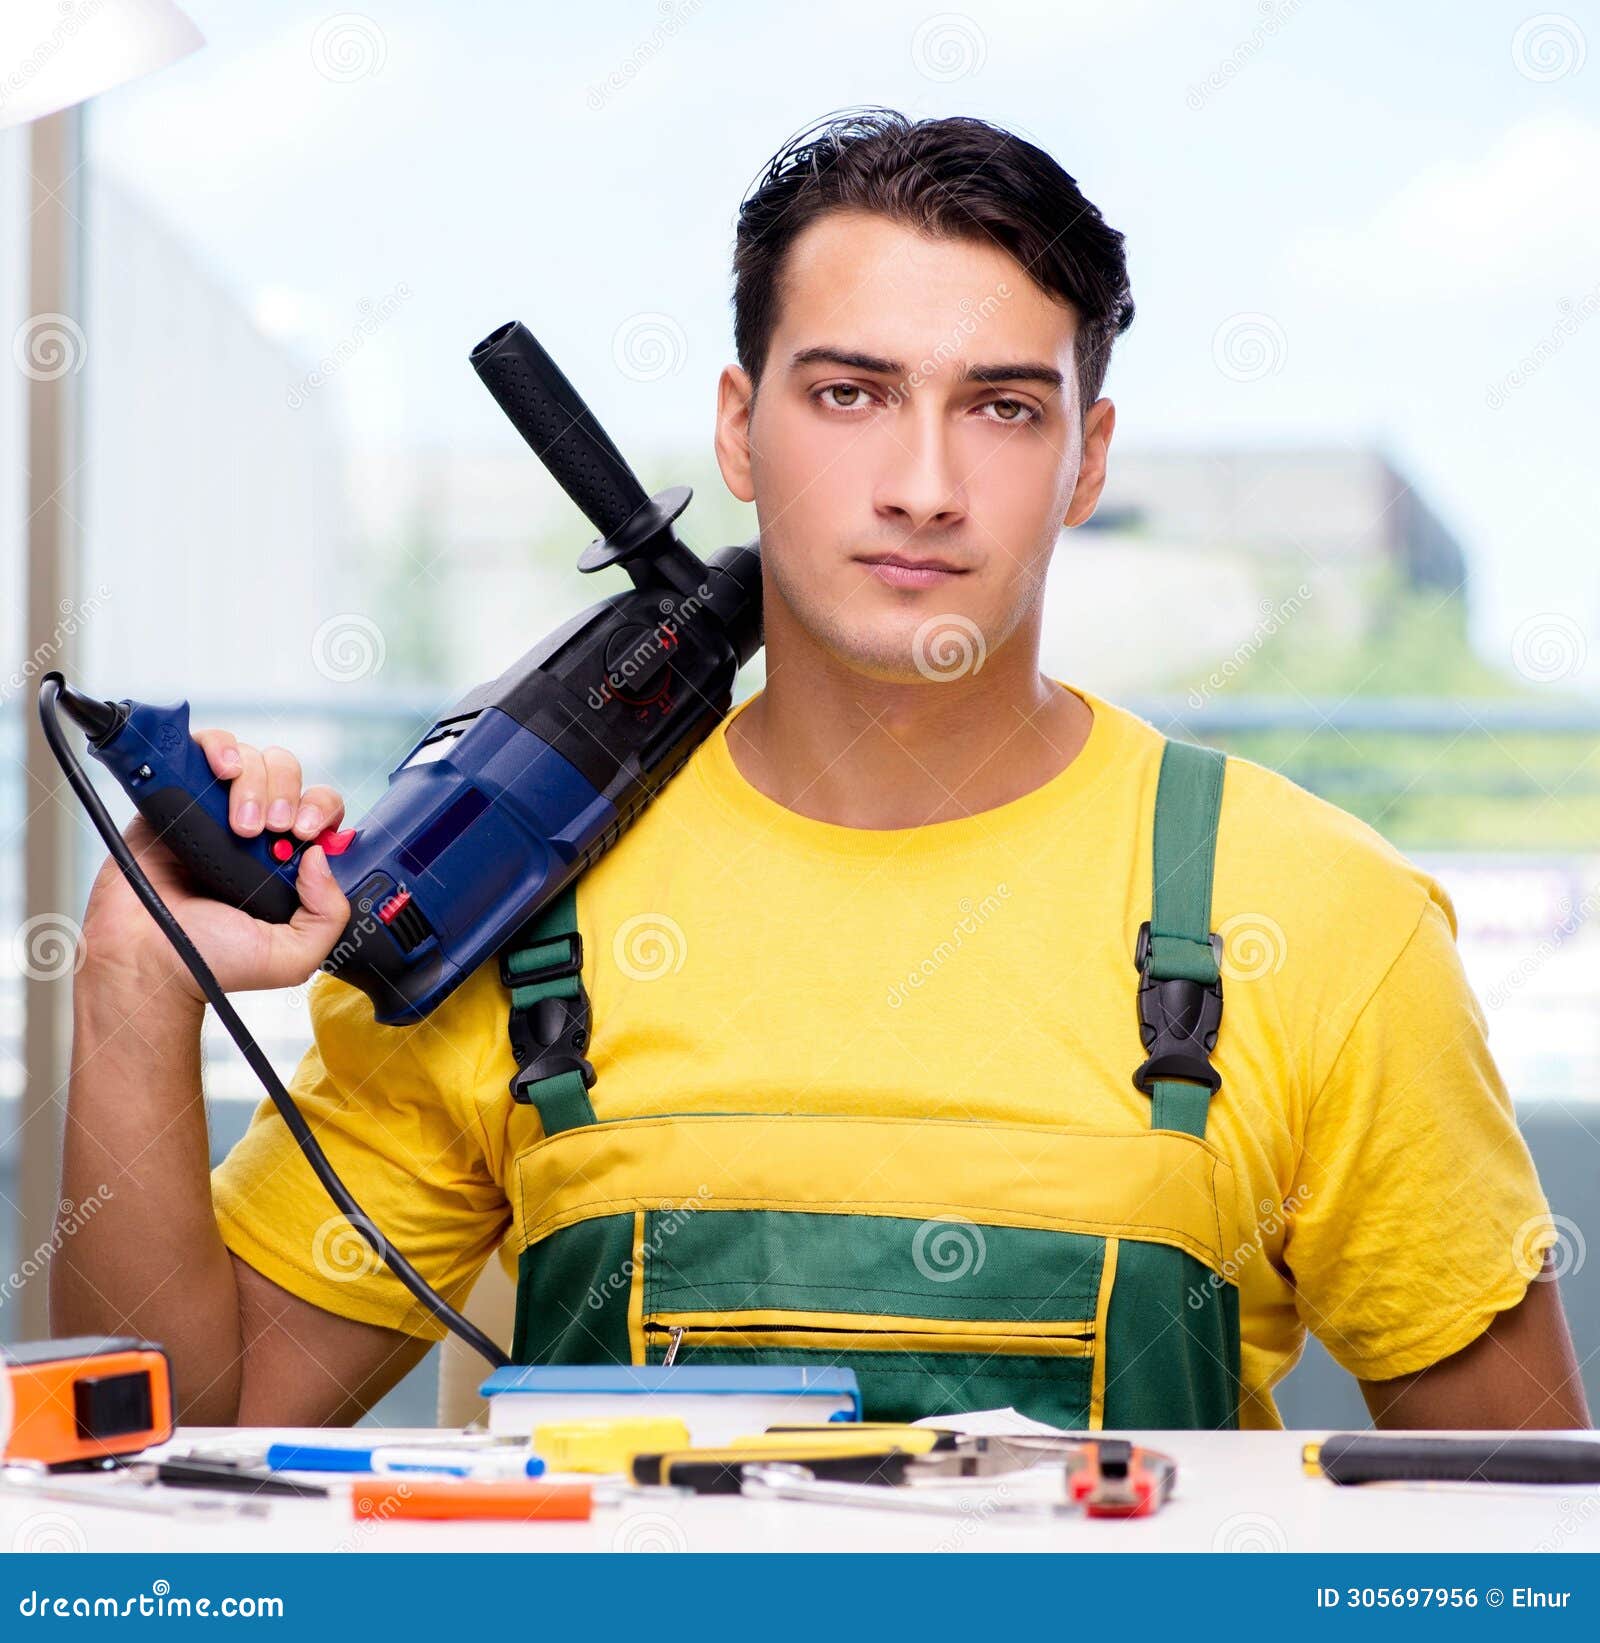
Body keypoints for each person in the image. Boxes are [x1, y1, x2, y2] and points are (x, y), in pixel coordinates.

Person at [56, 109, 1588, 1431]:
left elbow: (1524, 1540)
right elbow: (153, 1457)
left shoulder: (1318, 917)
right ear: (740, 429)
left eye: (1000, 408)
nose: (922, 487)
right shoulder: (514, 908)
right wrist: (134, 977)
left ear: (1091, 460)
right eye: (850, 394)